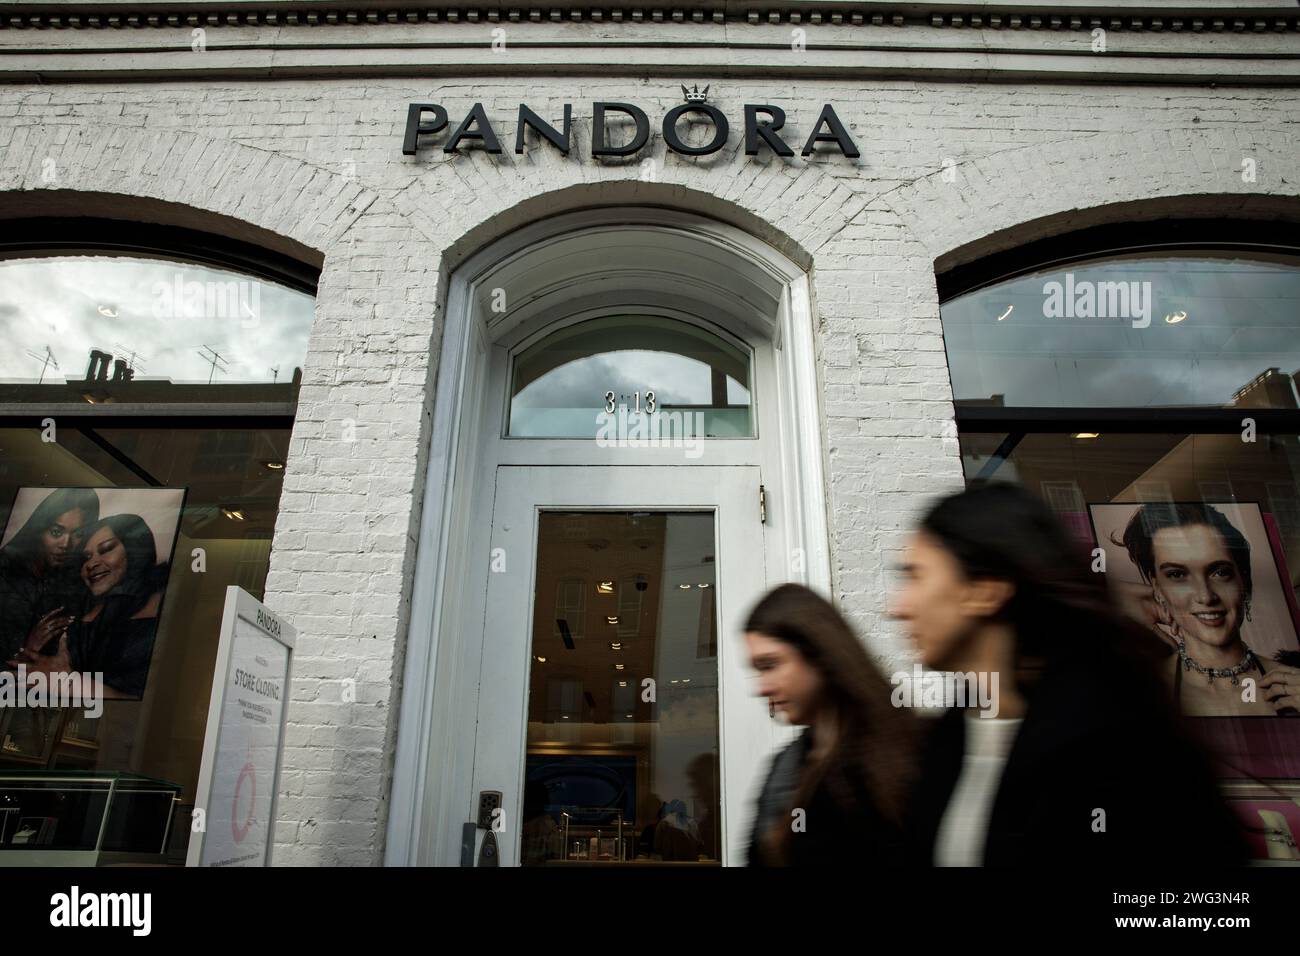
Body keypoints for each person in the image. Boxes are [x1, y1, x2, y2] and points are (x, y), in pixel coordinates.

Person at [891, 482, 1247, 866]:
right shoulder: (947, 740)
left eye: (916, 576)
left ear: (985, 590)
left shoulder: (1115, 746)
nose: (898, 607)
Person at [743, 583, 916, 866]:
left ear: (818, 654)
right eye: (757, 670)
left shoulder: (896, 757)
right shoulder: (786, 767)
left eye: (770, 665)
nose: (761, 687)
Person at [1115, 501, 1300, 716]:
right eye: (1177, 575)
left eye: (1220, 572)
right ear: (1157, 588)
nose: (1205, 596)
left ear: (1243, 580)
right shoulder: (1139, 690)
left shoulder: (1294, 677)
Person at [8, 513, 168, 699]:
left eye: (106, 549)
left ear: (136, 549)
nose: (91, 563)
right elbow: (18, 682)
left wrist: (70, 683)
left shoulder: (167, 605)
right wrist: (31, 648)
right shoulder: (73, 613)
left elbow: (152, 705)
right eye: (85, 557)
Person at [0, 488, 99, 665]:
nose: (66, 544)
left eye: (78, 534)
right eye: (56, 532)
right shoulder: (6, 572)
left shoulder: (76, 579)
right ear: (38, 529)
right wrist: (30, 647)